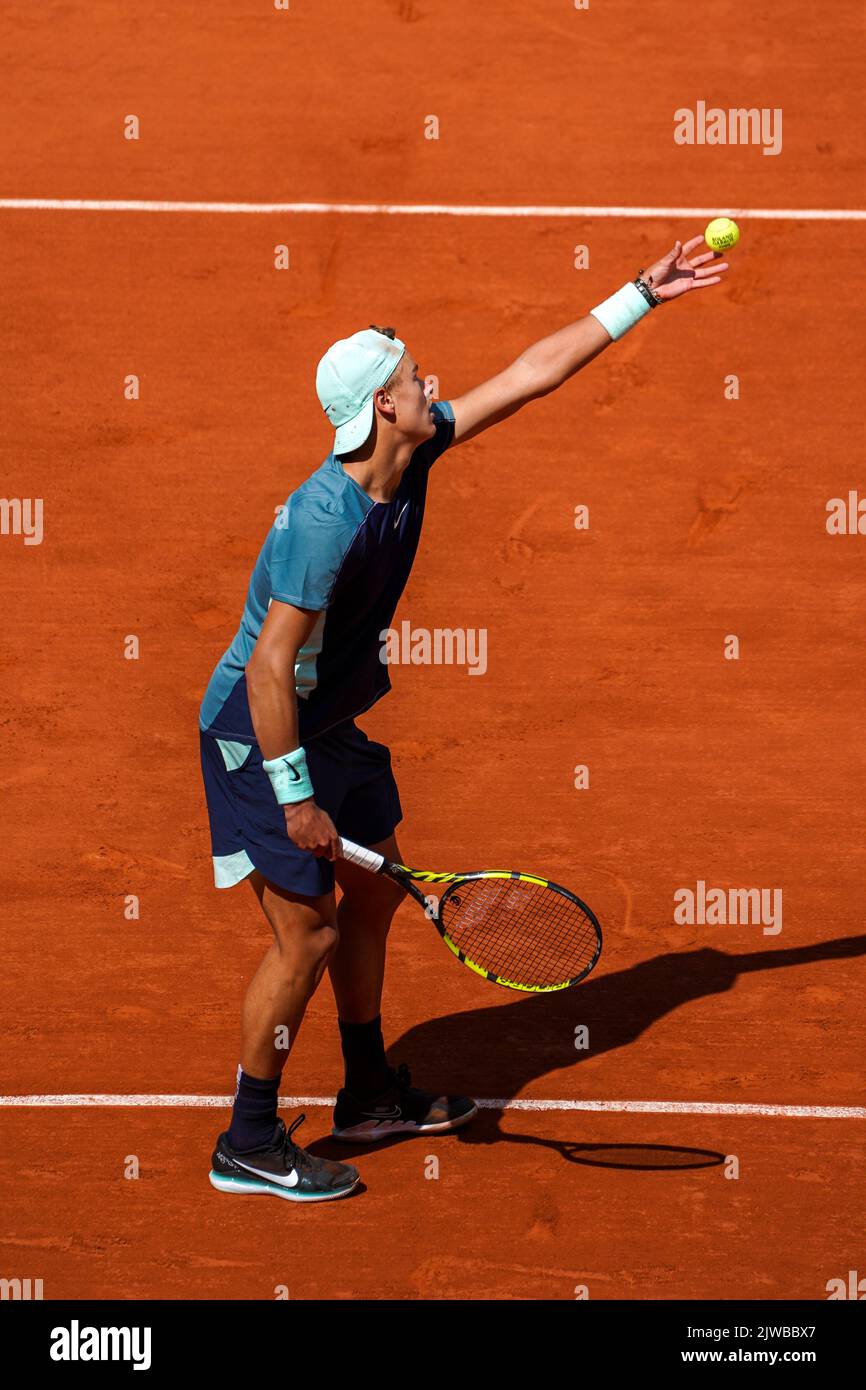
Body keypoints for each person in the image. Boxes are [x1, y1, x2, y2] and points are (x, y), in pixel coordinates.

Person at [201, 236, 730, 1202]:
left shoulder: (415, 448)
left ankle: (366, 1091)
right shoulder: (326, 522)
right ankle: (246, 1139)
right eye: (411, 377)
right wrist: (293, 801)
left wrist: (641, 295)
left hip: (328, 723)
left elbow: (529, 376)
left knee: (375, 896)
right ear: (379, 410)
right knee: (309, 933)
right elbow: (272, 668)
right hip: (258, 733)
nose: (430, 382)